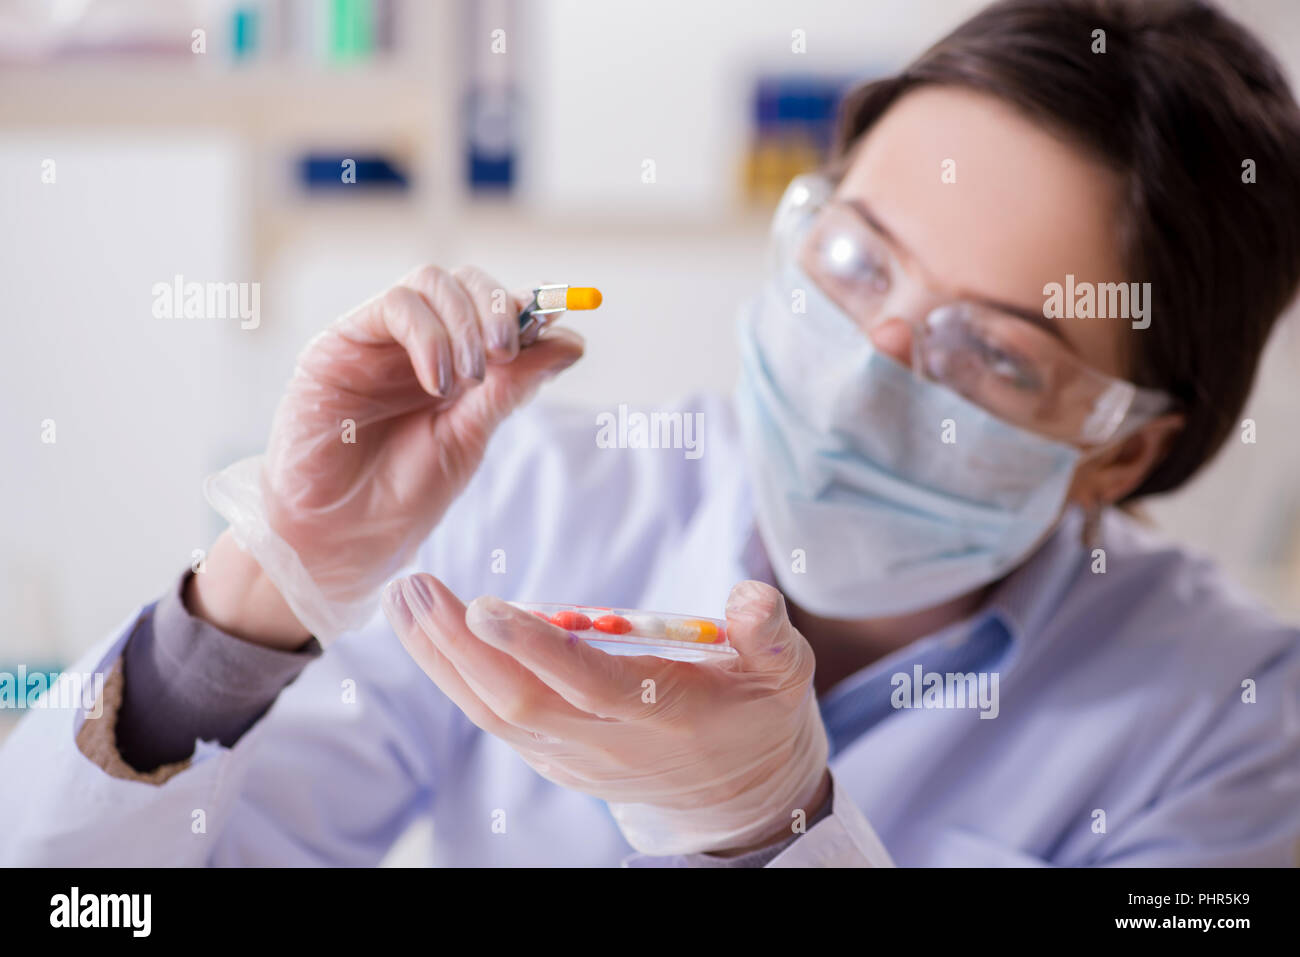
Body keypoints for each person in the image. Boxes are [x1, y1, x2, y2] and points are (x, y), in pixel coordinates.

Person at [4, 0, 1300, 867]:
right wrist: (255, 592)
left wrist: (767, 827)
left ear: (1126, 447)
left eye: (997, 353)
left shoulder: (1235, 721)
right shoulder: (539, 499)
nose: (863, 376)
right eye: (857, 260)